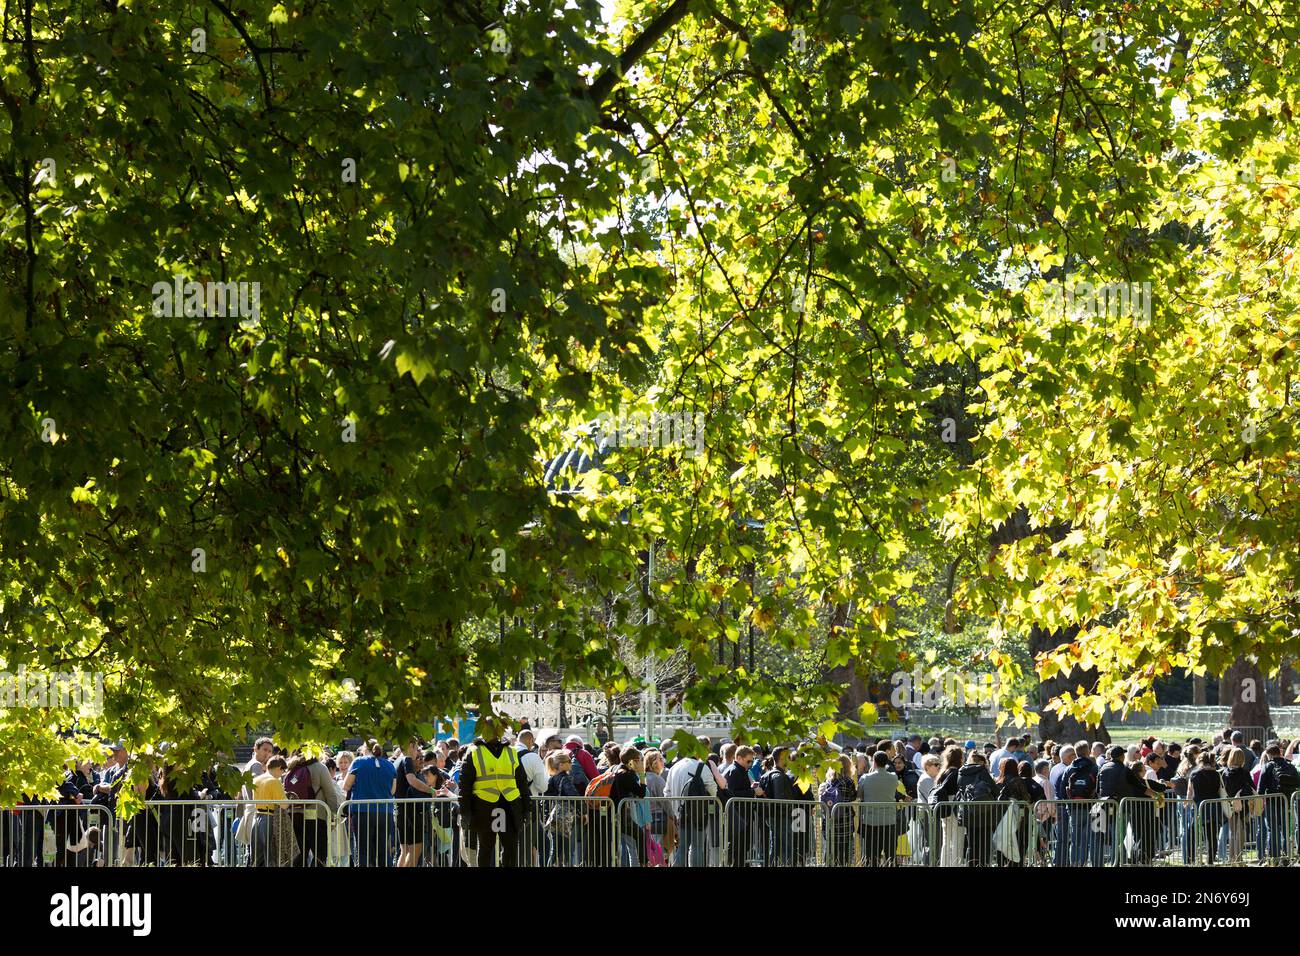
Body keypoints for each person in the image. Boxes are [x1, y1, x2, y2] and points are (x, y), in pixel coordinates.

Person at [458, 718, 532, 867]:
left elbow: (522, 783)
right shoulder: (473, 752)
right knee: (486, 848)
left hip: (510, 806)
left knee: (510, 848)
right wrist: (465, 812)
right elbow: (464, 786)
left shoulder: (511, 752)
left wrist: (527, 808)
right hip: (484, 807)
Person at [343, 738, 397, 867]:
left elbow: (346, 785)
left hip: (363, 812)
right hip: (385, 812)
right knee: (384, 850)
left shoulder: (358, 762)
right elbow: (393, 790)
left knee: (363, 851)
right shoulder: (389, 765)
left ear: (364, 749)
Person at [1257, 742, 1299, 863]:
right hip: (1286, 802)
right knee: (1286, 830)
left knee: (1273, 830)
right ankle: (1286, 857)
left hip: (1272, 803)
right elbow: (1297, 782)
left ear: (1269, 754)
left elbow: (1260, 789)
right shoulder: (1289, 765)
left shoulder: (1267, 766)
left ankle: (1274, 857)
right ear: (1279, 752)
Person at [857, 750, 901, 867]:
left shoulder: (865, 778)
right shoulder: (893, 777)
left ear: (874, 762)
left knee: (871, 856)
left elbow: (859, 795)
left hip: (871, 822)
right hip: (889, 821)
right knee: (890, 855)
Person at [610, 747, 648, 866]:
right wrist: (641, 774)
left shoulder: (617, 769)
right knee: (638, 840)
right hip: (623, 816)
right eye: (639, 760)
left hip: (617, 814)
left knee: (631, 845)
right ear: (632, 761)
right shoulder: (627, 775)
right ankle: (643, 863)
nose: (641, 762)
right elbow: (641, 793)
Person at [819, 755, 857, 865]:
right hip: (844, 822)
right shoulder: (848, 782)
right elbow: (852, 797)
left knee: (830, 848)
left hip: (829, 821)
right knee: (843, 851)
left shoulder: (827, 783)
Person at [1221, 746, 1255, 864]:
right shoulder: (1244, 773)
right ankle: (1238, 859)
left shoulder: (1225, 773)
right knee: (1240, 832)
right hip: (1243, 806)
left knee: (1232, 833)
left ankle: (1232, 858)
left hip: (1229, 806)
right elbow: (1252, 788)